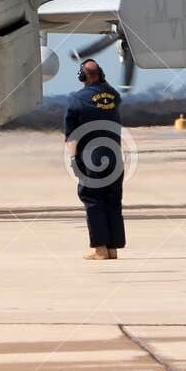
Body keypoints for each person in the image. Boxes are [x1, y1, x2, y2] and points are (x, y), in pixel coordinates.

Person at [64, 58, 125, 261]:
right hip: (115, 156)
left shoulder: (77, 99)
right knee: (113, 200)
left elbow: (71, 134)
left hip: (92, 158)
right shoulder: (114, 96)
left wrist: (73, 159)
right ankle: (113, 248)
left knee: (92, 200)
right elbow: (111, 93)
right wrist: (102, 81)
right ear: (101, 75)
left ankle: (100, 249)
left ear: (82, 76)